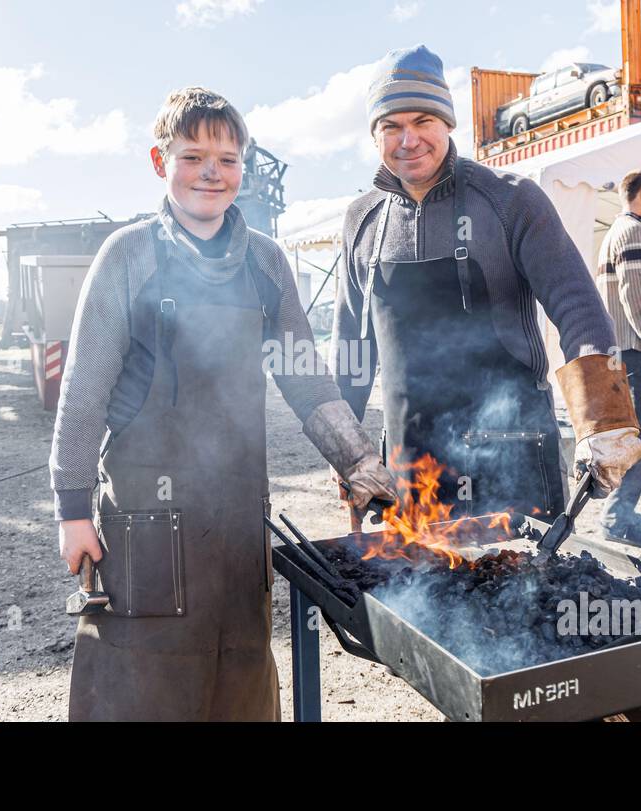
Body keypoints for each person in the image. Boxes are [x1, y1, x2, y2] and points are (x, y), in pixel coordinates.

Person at [49, 87, 396, 721]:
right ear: (161, 163)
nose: (212, 171)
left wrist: (357, 461)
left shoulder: (265, 261)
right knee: (141, 692)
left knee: (237, 682)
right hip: (143, 525)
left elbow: (306, 377)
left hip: (239, 522)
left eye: (228, 158)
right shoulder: (127, 256)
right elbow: (83, 394)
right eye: (193, 156)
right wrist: (72, 507)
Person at [333, 45, 641, 531]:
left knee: (524, 600)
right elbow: (350, 348)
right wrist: (348, 453)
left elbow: (576, 303)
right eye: (391, 126)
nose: (408, 139)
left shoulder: (510, 200)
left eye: (423, 120)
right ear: (375, 135)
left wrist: (604, 420)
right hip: (412, 469)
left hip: (512, 457)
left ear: (448, 124)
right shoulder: (361, 221)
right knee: (423, 602)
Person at [594, 170, 641, 544]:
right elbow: (634, 292)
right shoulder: (634, 233)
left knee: (627, 436)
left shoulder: (613, 233)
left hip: (617, 351)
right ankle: (616, 519)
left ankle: (620, 514)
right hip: (635, 351)